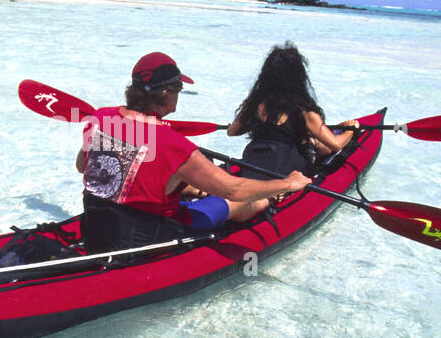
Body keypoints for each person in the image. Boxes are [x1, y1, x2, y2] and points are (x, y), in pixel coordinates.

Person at [76, 51, 309, 253]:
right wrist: (288, 183)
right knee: (231, 201)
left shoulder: (100, 117)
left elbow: (82, 166)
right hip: (153, 237)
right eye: (179, 88)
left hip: (100, 228)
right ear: (166, 93)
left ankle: (193, 189)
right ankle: (267, 200)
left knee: (191, 188)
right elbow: (235, 189)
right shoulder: (174, 145)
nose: (180, 94)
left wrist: (185, 185)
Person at [227, 42, 359, 179]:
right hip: (284, 167)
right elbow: (336, 144)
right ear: (298, 76)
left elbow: (232, 131)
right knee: (319, 145)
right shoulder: (303, 108)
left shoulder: (254, 102)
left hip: (252, 160)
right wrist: (351, 129)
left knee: (311, 140)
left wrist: (259, 127)